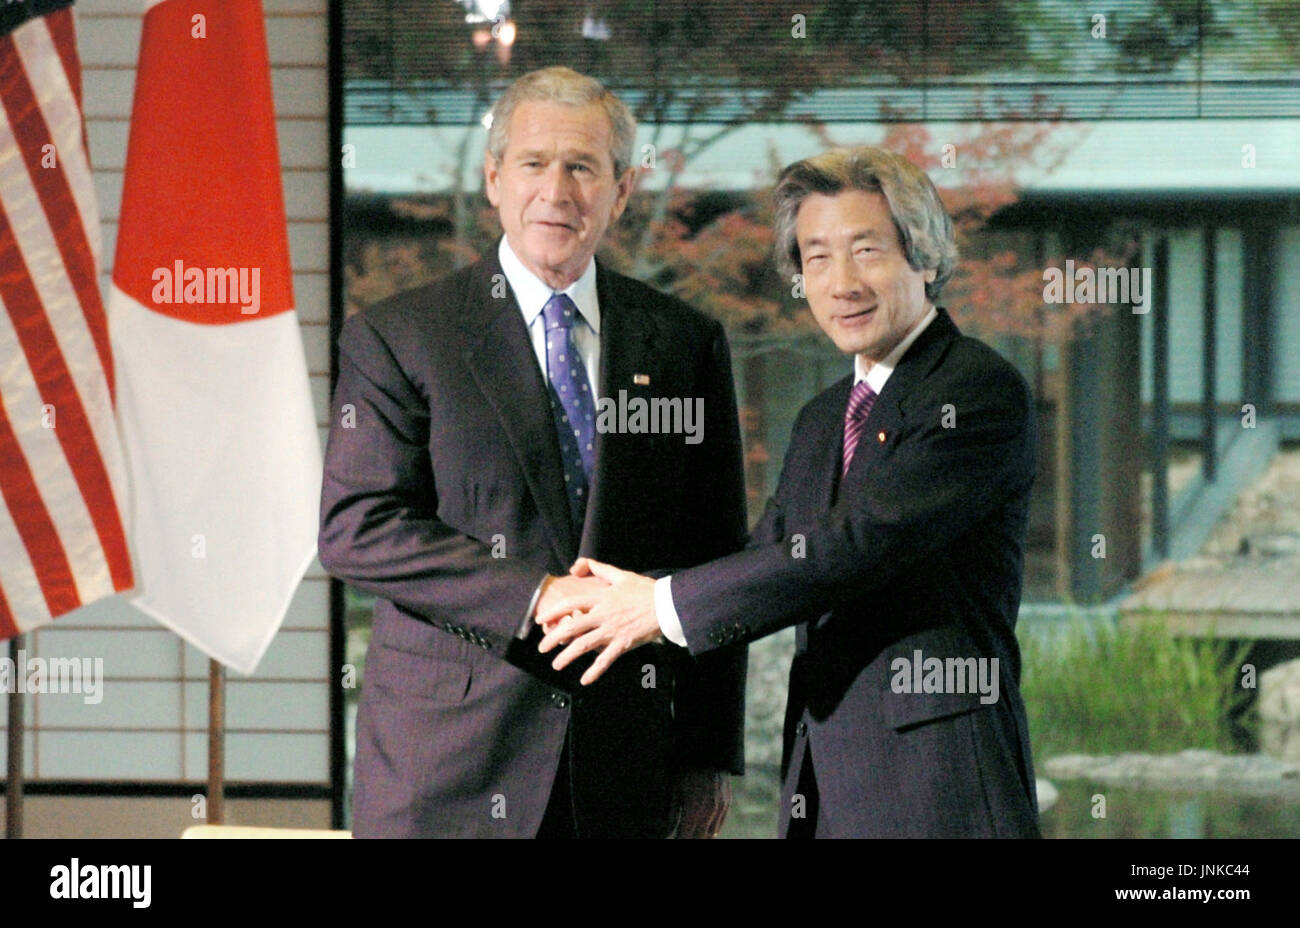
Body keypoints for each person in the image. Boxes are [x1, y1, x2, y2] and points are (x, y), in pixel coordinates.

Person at [539, 145, 1041, 838]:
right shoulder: (823, 418)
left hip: (938, 789)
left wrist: (653, 606)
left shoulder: (975, 391)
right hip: (824, 784)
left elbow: (853, 547)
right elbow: (769, 555)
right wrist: (632, 593)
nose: (841, 283)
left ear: (924, 256)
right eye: (816, 257)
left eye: (866, 250)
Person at [318, 67, 748, 838]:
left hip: (620, 769)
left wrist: (706, 754)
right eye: (533, 163)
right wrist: (534, 597)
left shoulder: (683, 342)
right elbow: (358, 529)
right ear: (492, 179)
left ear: (620, 192)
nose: (558, 190)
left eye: (583, 167)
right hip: (444, 771)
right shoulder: (401, 336)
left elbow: (713, 554)